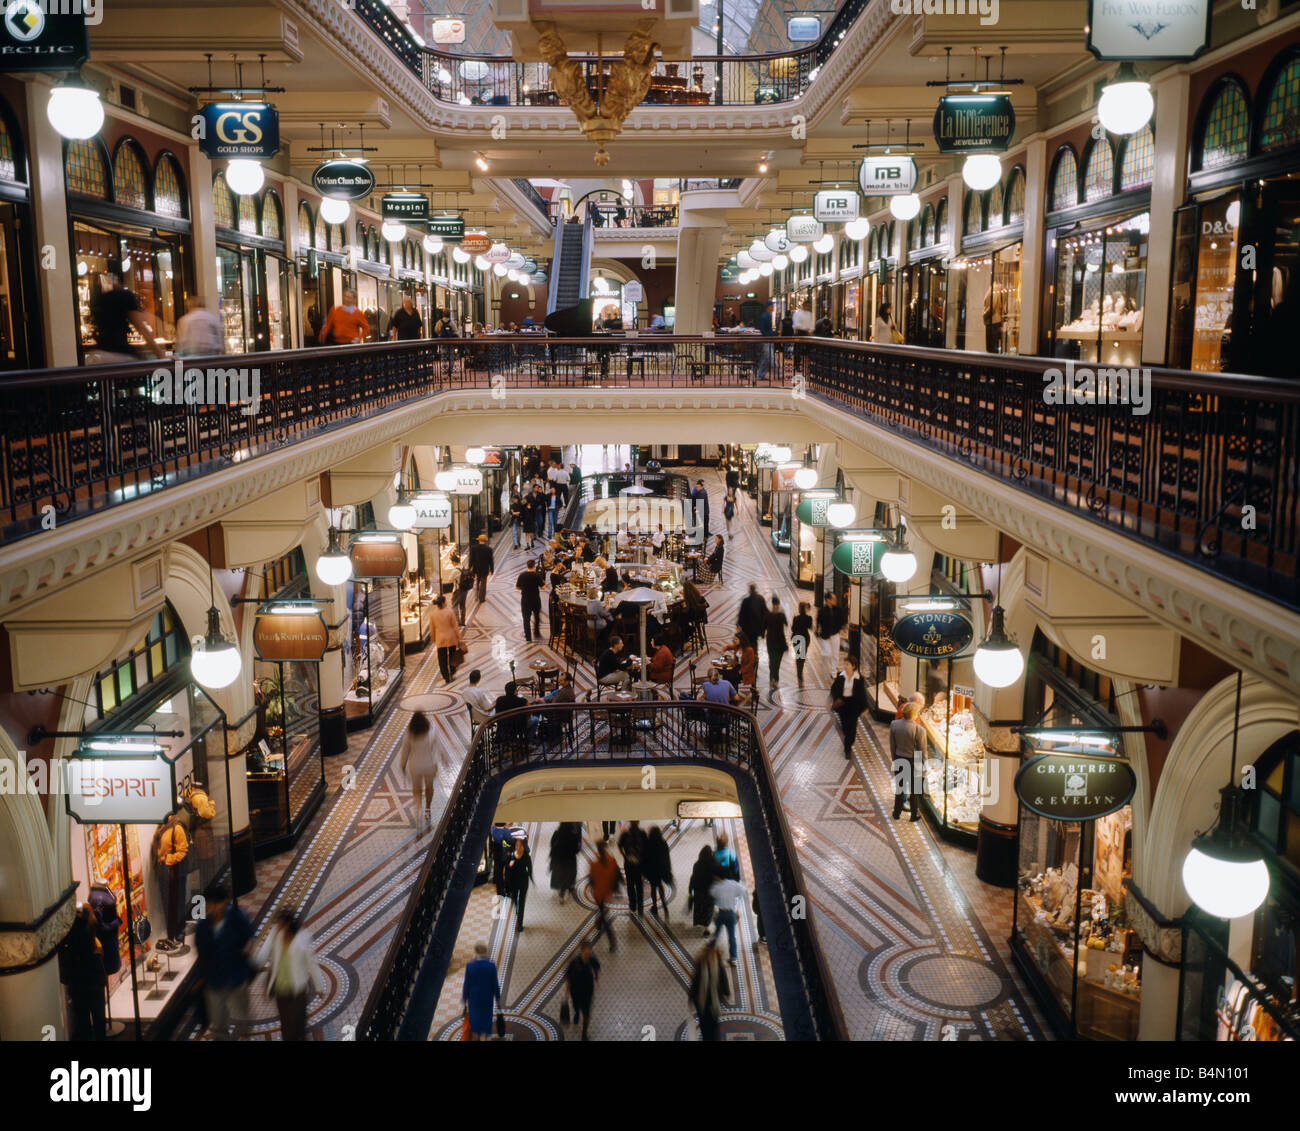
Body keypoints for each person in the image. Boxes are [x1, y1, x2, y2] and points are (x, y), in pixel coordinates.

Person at [253, 910, 325, 1042]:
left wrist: (320, 987)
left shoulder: (303, 938)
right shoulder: (276, 932)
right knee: (286, 1024)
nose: (277, 927)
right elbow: (264, 951)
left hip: (297, 989)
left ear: (287, 924)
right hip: (281, 989)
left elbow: (312, 964)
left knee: (298, 1023)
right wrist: (254, 963)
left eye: (280, 924)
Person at [194, 884, 254, 1041]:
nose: (210, 908)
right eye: (208, 904)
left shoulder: (236, 917)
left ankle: (245, 1033)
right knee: (218, 1020)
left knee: (242, 1012)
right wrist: (201, 977)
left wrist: (248, 947)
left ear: (223, 903)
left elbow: (249, 935)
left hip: (236, 974)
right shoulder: (202, 926)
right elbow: (202, 953)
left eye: (213, 903)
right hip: (214, 979)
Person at [87, 266, 162, 363]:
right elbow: (141, 327)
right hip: (120, 354)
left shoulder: (101, 298)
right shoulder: (126, 296)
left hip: (99, 353)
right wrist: (160, 354)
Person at [60, 903, 106, 1040]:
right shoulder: (92, 928)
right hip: (94, 981)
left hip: (78, 983)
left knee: (83, 1022)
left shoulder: (70, 934)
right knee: (99, 1019)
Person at [891, 700, 929, 821]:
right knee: (914, 791)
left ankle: (896, 813)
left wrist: (894, 759)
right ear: (914, 714)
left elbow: (892, 745)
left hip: (899, 758)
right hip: (914, 761)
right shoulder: (919, 730)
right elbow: (923, 750)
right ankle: (913, 815)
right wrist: (925, 767)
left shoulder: (894, 724)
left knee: (900, 788)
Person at [399, 710, 438, 824]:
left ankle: (418, 810)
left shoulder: (409, 734)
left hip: (415, 766)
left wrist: (402, 766)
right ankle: (427, 809)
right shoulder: (431, 730)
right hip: (429, 765)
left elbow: (405, 752)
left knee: (417, 790)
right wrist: (444, 761)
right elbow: (438, 747)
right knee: (429, 788)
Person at [689, 942, 730, 1041]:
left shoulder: (700, 963)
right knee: (713, 1027)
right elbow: (724, 982)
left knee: (705, 1027)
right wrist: (727, 993)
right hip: (712, 1004)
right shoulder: (718, 964)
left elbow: (695, 983)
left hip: (702, 1003)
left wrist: (691, 998)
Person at [830, 654, 869, 761]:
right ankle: (848, 741)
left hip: (854, 705)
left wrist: (865, 707)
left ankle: (847, 749)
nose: (845, 666)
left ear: (853, 666)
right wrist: (837, 698)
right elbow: (834, 689)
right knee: (845, 727)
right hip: (843, 704)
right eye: (845, 664)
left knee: (852, 728)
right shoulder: (840, 676)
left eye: (847, 664)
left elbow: (862, 694)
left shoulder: (859, 678)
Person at [461, 942, 501, 1040]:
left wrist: (464, 998)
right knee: (485, 1021)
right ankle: (483, 1037)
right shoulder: (491, 965)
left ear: (475, 952)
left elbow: (467, 984)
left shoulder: (470, 966)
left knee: (475, 1022)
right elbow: (495, 984)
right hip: (487, 998)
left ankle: (476, 1036)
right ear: (485, 951)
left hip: (474, 999)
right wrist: (498, 998)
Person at [564, 940, 601, 1040]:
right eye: (585, 952)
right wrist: (567, 991)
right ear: (581, 951)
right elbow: (567, 976)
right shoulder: (574, 962)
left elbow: (596, 968)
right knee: (576, 1006)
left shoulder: (592, 960)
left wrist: (596, 976)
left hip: (588, 991)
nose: (587, 954)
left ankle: (584, 1035)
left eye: (589, 952)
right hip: (575, 991)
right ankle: (576, 1013)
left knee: (587, 1013)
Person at [588, 839, 621, 952]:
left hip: (598, 893)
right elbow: (617, 875)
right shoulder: (611, 860)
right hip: (607, 891)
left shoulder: (594, 863)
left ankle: (612, 941)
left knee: (603, 914)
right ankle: (599, 922)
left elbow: (591, 879)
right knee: (601, 909)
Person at [710, 871, 747, 966]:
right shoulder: (734, 884)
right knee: (732, 936)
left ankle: (710, 952)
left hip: (721, 913)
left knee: (717, 933)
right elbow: (743, 891)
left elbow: (712, 895)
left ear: (718, 877)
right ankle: (733, 958)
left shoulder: (717, 887)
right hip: (731, 914)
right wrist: (737, 907)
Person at [618, 820, 648, 916]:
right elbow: (646, 847)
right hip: (640, 864)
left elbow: (619, 845)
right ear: (638, 823)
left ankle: (632, 905)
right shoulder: (642, 833)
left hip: (629, 864)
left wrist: (625, 856)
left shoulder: (625, 834)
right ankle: (640, 906)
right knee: (639, 885)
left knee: (630, 885)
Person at [430, 594, 462, 684]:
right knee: (452, 656)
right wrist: (459, 637)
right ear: (444, 603)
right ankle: (452, 672)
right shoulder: (450, 612)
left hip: (440, 640)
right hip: (451, 638)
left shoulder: (433, 615)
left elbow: (432, 629)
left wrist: (433, 639)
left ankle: (446, 677)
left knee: (442, 659)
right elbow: (455, 626)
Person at [688, 845, 718, 935]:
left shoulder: (697, 865)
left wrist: (690, 889)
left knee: (700, 908)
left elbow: (693, 878)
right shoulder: (715, 865)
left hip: (699, 891)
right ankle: (707, 928)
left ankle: (700, 922)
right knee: (708, 910)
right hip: (710, 893)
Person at [549, 821, 582, 903]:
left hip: (559, 860)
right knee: (569, 875)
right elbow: (576, 850)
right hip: (570, 861)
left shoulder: (557, 833)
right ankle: (567, 889)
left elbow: (552, 844)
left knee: (560, 876)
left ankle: (561, 892)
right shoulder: (572, 836)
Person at [645, 825, 673, 918]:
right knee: (660, 887)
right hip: (661, 869)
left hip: (652, 871)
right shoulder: (663, 842)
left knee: (653, 888)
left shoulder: (648, 843)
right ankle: (664, 905)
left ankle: (655, 907)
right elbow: (667, 857)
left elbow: (646, 858)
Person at [505, 837, 533, 930]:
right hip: (514, 882)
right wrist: (509, 865)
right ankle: (517, 910)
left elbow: (530, 869)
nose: (518, 847)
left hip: (523, 882)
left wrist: (530, 877)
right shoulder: (511, 856)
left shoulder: (526, 856)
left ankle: (520, 923)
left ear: (523, 847)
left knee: (521, 902)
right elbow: (507, 870)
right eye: (517, 845)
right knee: (515, 899)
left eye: (520, 846)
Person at [764, 595, 788, 696]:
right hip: (779, 643)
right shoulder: (780, 616)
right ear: (777, 605)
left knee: (774, 661)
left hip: (771, 641)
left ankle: (772, 678)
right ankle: (774, 679)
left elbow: (763, 627)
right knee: (775, 661)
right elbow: (786, 625)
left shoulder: (768, 615)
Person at [516, 558, 545, 643]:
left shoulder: (522, 575)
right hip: (535, 599)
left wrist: (524, 588)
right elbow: (543, 587)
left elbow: (517, 587)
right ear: (534, 566)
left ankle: (528, 637)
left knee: (526, 618)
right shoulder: (536, 575)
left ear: (527, 566)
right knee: (536, 617)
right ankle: (536, 633)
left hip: (525, 600)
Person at [493, 680, 529, 748]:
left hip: (503, 726)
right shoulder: (522, 701)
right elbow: (529, 710)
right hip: (518, 727)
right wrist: (527, 719)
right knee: (535, 720)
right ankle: (528, 741)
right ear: (515, 691)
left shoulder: (499, 700)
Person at [737, 583, 768, 653]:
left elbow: (741, 614)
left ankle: (750, 658)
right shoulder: (761, 599)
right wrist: (764, 628)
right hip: (757, 628)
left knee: (748, 644)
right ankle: (755, 658)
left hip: (747, 629)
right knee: (754, 643)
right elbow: (765, 613)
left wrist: (738, 625)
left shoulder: (746, 600)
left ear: (750, 590)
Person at [754, 298, 777, 382]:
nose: (774, 307)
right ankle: (778, 372)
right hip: (766, 339)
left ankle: (761, 374)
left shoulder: (767, 315)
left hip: (767, 339)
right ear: (769, 307)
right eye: (772, 306)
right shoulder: (766, 316)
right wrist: (771, 335)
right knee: (769, 357)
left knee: (766, 357)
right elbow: (763, 329)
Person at [469, 533, 494, 608]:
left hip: (476, 568)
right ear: (485, 541)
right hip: (485, 568)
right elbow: (491, 560)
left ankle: (477, 595)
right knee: (483, 582)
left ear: (479, 540)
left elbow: (471, 559)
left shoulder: (473, 548)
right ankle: (482, 598)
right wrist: (492, 569)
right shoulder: (489, 549)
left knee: (477, 581)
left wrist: (470, 567)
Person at [816, 592, 841, 664]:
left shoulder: (838, 610)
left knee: (835, 654)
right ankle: (826, 671)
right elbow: (819, 621)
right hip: (825, 636)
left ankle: (833, 673)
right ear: (828, 600)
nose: (836, 600)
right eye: (834, 599)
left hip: (835, 634)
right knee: (826, 654)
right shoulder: (822, 610)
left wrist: (837, 628)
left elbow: (842, 620)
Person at [453, 557, 474, 625]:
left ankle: (457, 621)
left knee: (455, 605)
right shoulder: (463, 567)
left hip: (458, 589)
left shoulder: (455, 570)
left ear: (454, 562)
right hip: (465, 589)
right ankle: (463, 621)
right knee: (462, 605)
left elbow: (450, 579)